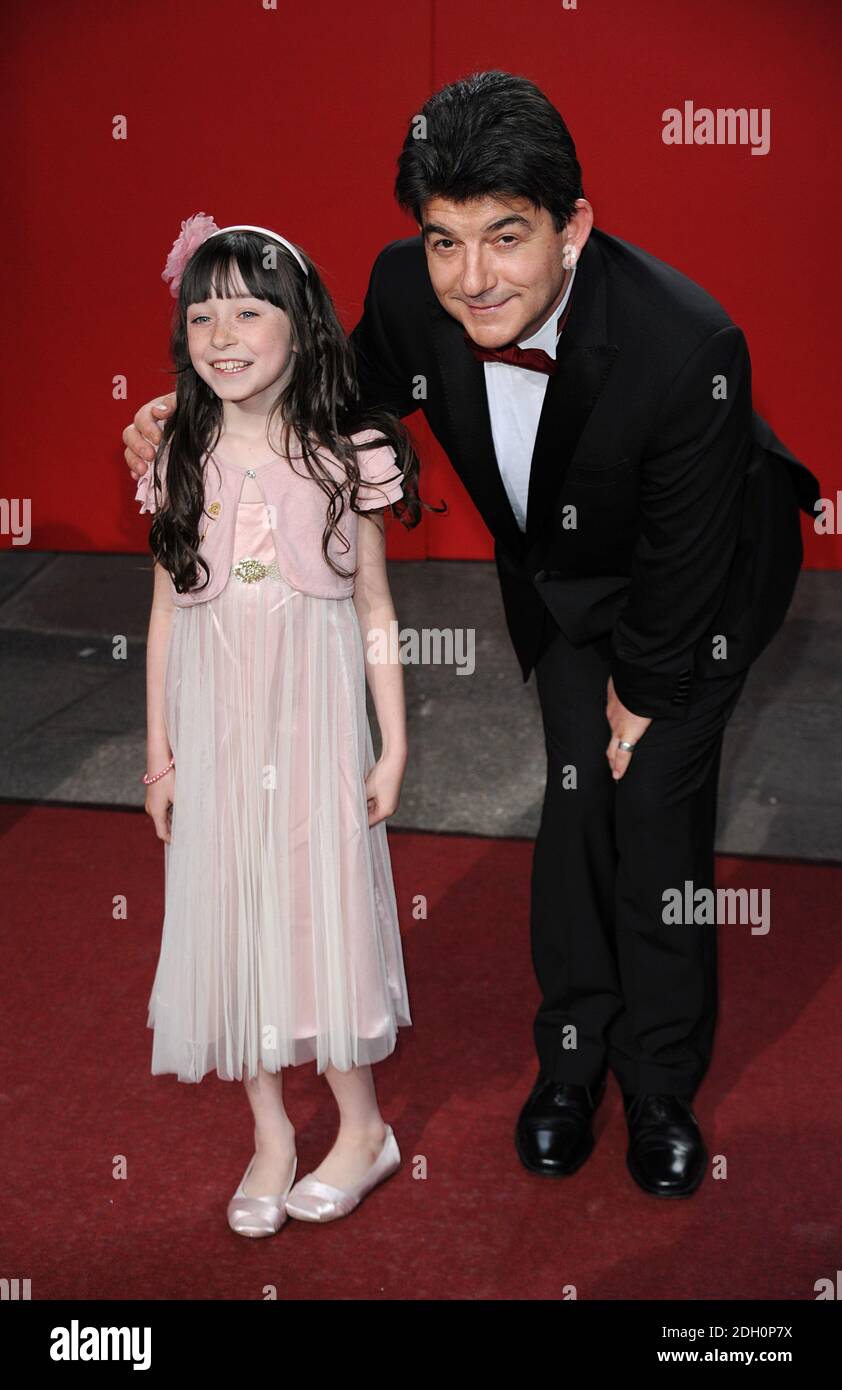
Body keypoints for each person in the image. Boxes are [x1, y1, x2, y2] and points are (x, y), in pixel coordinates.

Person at [125, 75, 820, 1200]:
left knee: (648, 812)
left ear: (572, 226)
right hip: (559, 578)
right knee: (570, 801)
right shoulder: (408, 291)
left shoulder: (684, 340)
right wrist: (182, 418)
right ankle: (568, 1061)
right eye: (444, 241)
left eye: (505, 237)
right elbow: (332, 396)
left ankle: (655, 1085)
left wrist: (639, 694)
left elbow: (684, 558)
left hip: (699, 585)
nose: (471, 277)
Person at [135, 213, 426, 1236]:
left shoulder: (348, 455)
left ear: (299, 329)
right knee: (236, 914)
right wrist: (158, 753)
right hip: (215, 737)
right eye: (201, 314)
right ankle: (269, 1133)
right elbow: (169, 607)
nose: (222, 333)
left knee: (323, 910)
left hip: (312, 736)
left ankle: (362, 1129)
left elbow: (375, 611)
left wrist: (391, 744)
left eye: (248, 311)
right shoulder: (176, 447)